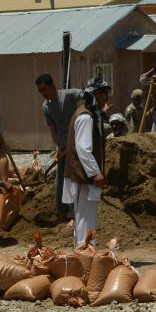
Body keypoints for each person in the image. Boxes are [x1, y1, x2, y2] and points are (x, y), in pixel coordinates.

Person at [63, 76, 110, 247]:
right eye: (105, 93)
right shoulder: (85, 117)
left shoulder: (89, 113)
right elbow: (83, 148)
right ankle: (85, 250)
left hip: (84, 174)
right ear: (97, 93)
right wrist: (95, 172)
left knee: (84, 214)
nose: (107, 97)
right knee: (85, 215)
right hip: (84, 175)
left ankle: (84, 249)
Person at [36, 72, 83, 225]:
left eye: (45, 89)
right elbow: (53, 129)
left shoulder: (68, 96)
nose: (43, 93)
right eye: (40, 91)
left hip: (77, 144)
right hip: (62, 147)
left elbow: (85, 95)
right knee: (61, 182)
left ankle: (74, 214)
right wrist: (57, 147)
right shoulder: (46, 106)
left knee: (72, 180)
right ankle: (62, 213)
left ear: (53, 86)